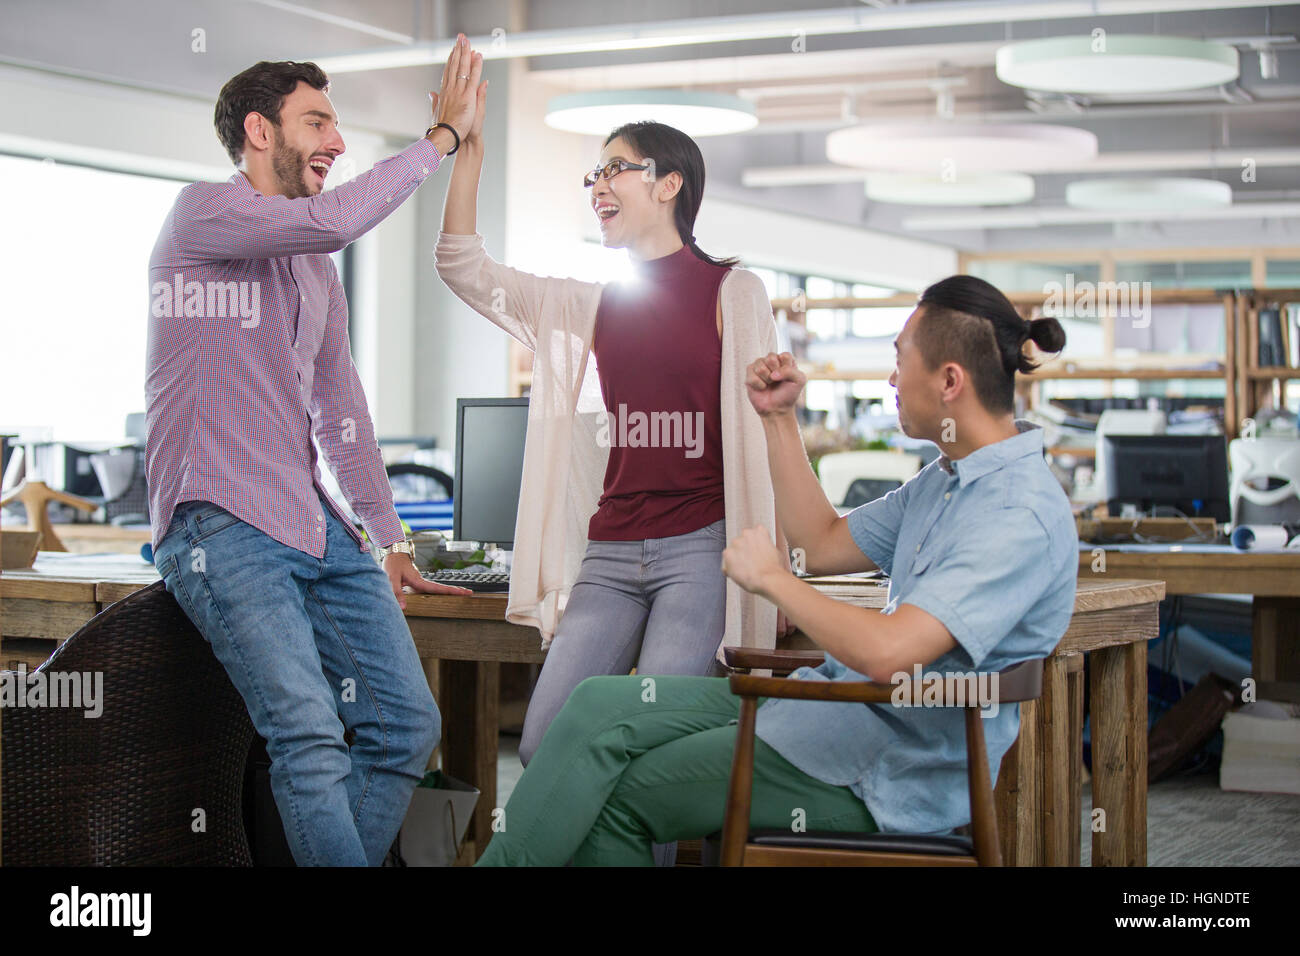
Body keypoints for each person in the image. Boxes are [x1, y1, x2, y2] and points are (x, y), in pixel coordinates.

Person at [473, 274, 1077, 865]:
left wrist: (773, 581)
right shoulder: (942, 482)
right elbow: (821, 542)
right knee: (595, 706)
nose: (892, 380)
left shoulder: (1016, 512)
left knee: (617, 795)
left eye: (901, 361)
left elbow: (893, 653)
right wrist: (778, 419)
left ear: (950, 381)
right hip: (828, 710)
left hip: (881, 771)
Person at [145, 38, 485, 866]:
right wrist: (439, 140)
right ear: (260, 132)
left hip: (313, 520)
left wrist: (391, 539)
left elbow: (343, 414)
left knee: (406, 722)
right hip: (219, 520)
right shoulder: (202, 214)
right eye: (318, 121)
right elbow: (331, 222)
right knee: (308, 735)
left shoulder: (313, 275)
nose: (335, 140)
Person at [433, 86, 791, 777]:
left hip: (700, 549)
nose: (597, 186)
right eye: (591, 175)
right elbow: (462, 267)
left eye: (614, 169)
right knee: (545, 745)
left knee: (650, 740)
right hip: (611, 550)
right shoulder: (589, 302)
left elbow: (761, 437)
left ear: (669, 184)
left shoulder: (733, 291)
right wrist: (468, 149)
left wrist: (770, 576)